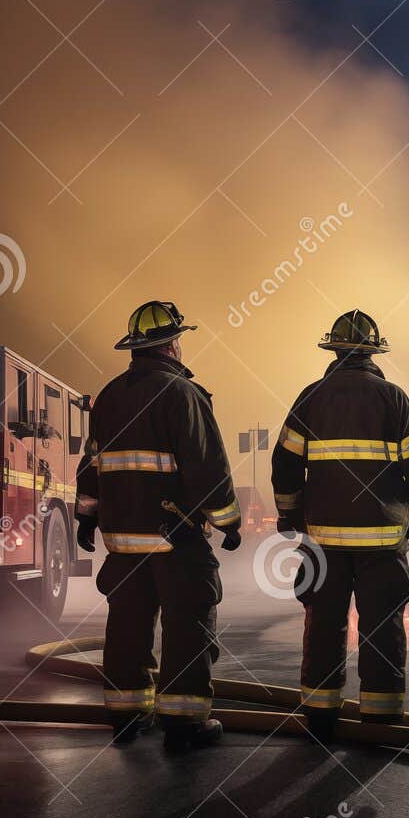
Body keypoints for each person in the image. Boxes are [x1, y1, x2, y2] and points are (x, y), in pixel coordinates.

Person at [73, 300, 243, 752]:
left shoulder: (109, 396)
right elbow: (207, 468)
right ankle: (184, 724)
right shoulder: (183, 395)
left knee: (127, 625)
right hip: (175, 534)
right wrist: (228, 522)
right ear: (170, 345)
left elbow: (92, 462)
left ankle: (127, 716)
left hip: (123, 539)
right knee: (188, 624)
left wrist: (85, 518)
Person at [272, 310, 409, 742]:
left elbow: (285, 466)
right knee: (382, 625)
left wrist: (290, 517)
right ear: (373, 352)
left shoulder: (310, 398)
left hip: (324, 540)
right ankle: (381, 718)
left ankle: (321, 715)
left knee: (324, 624)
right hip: (383, 542)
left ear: (334, 350)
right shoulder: (394, 399)